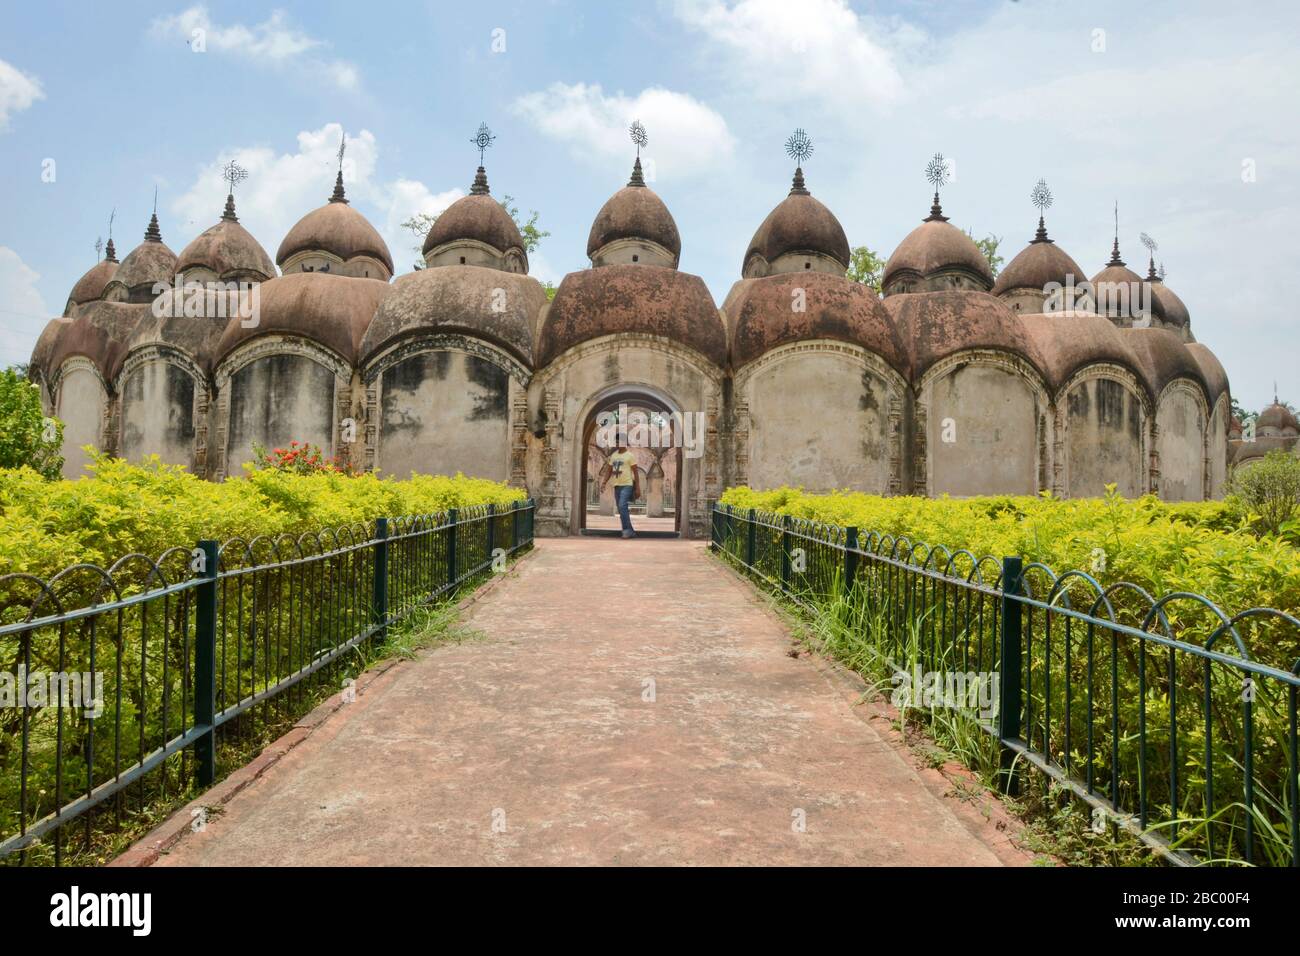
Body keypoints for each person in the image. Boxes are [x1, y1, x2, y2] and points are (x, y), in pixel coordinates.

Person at [601, 445, 640, 538]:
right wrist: (604, 482)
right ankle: (630, 531)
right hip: (617, 485)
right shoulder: (614, 456)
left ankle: (626, 530)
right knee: (621, 508)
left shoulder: (630, 456)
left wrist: (638, 487)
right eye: (617, 441)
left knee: (622, 505)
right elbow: (609, 471)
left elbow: (635, 472)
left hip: (627, 485)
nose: (618, 444)